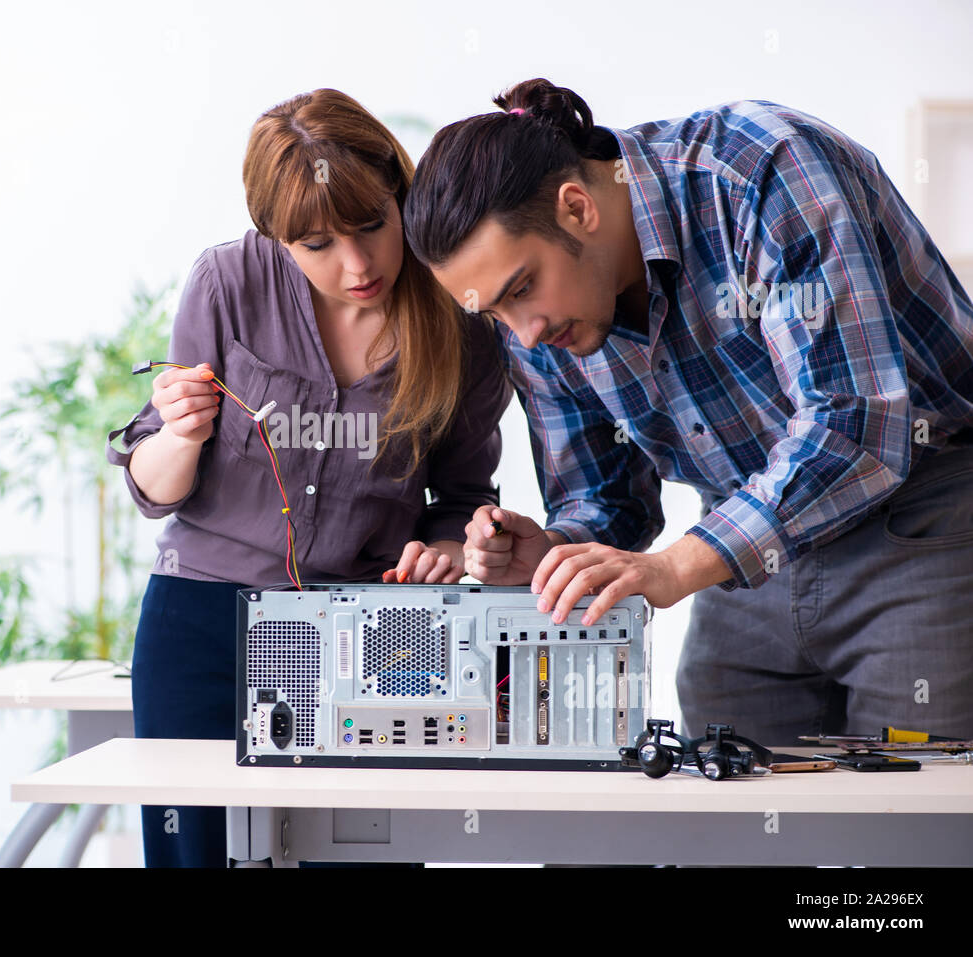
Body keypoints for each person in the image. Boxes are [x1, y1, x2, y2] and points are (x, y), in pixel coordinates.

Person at [402, 78, 973, 748]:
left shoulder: (761, 172)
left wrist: (675, 569)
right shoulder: (536, 323)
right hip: (741, 561)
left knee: (911, 827)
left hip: (917, 530)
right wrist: (553, 550)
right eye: (493, 310)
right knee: (725, 818)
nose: (521, 333)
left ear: (577, 207)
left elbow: (853, 428)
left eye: (522, 289)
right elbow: (603, 497)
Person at [108, 88, 512, 866]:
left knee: (368, 856)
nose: (356, 265)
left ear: (402, 194)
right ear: (275, 237)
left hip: (373, 631)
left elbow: (463, 502)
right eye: (318, 244)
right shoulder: (227, 283)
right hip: (203, 621)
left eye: (372, 227)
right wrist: (184, 433)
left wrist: (445, 550)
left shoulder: (462, 320)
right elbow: (155, 489)